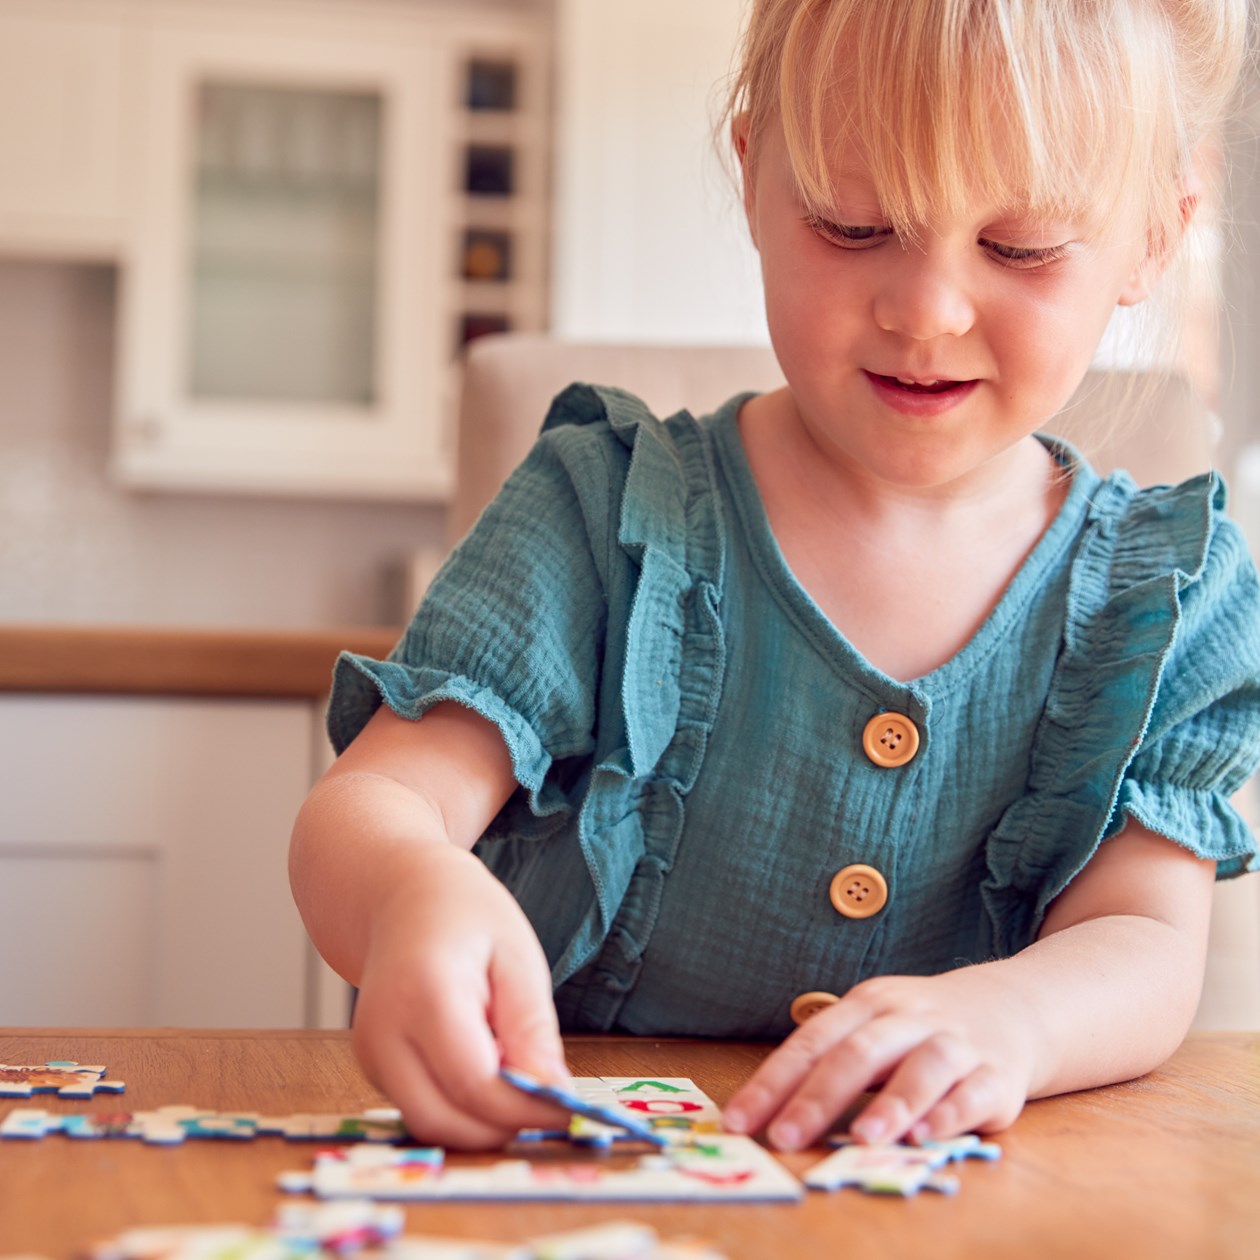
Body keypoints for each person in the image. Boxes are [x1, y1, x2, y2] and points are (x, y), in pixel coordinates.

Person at [289, 0, 1260, 1154]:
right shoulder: (601, 509)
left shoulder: (1172, 598)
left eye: (1021, 248)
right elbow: (370, 807)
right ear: (752, 176)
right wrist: (409, 892)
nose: (927, 310)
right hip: (561, 1183)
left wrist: (1019, 1018)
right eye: (853, 225)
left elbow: (1147, 944)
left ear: (1158, 233)